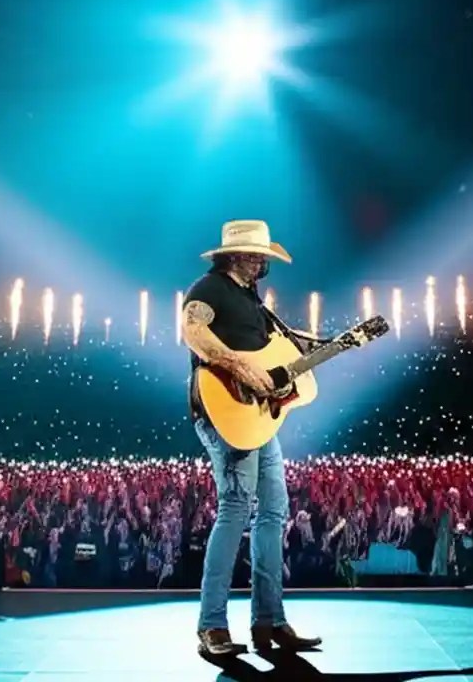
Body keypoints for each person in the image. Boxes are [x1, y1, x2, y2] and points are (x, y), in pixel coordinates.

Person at [181, 220, 323, 656]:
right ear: (237, 256)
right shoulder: (209, 287)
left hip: (259, 419)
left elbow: (273, 363)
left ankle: (269, 622)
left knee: (275, 511)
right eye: (258, 254)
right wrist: (242, 370)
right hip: (224, 413)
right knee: (236, 508)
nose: (264, 262)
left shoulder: (253, 301)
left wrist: (282, 379)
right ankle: (212, 625)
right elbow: (194, 331)